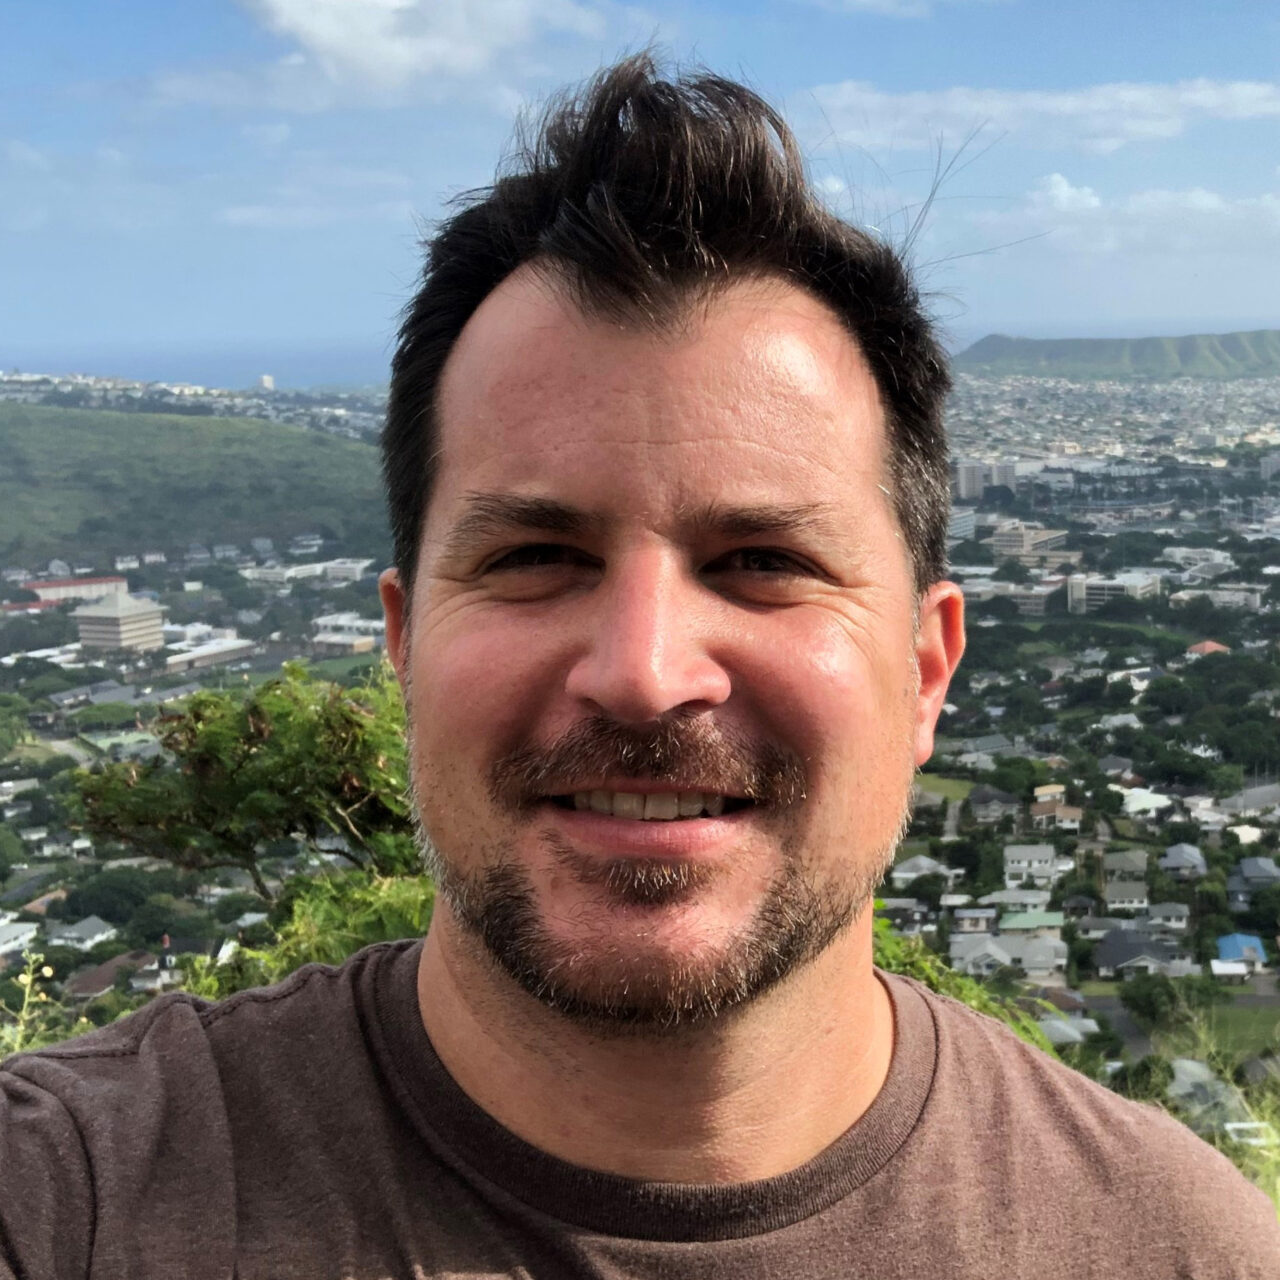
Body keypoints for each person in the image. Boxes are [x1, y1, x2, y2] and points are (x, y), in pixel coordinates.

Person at [2, 55, 1278, 1279]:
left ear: (925, 667)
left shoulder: (1173, 1247)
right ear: (402, 642)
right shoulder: (75, 1196)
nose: (643, 671)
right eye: (537, 555)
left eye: (761, 558)